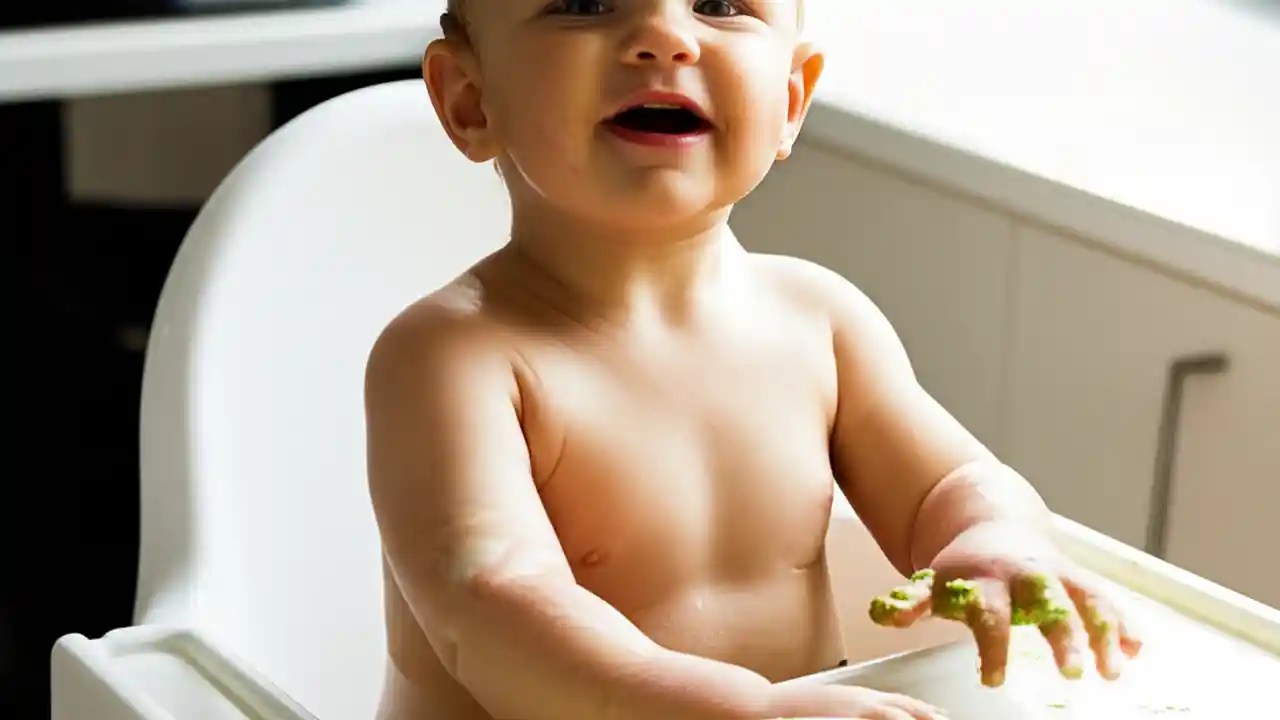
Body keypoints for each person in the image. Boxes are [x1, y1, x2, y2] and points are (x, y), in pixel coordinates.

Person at [363, 1, 1143, 718]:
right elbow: (490, 602)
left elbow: (947, 482)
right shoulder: (449, 360)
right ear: (470, 99)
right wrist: (743, 711)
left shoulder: (820, 322)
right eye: (585, 2)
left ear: (792, 100)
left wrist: (995, 537)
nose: (665, 37)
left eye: (720, 4)